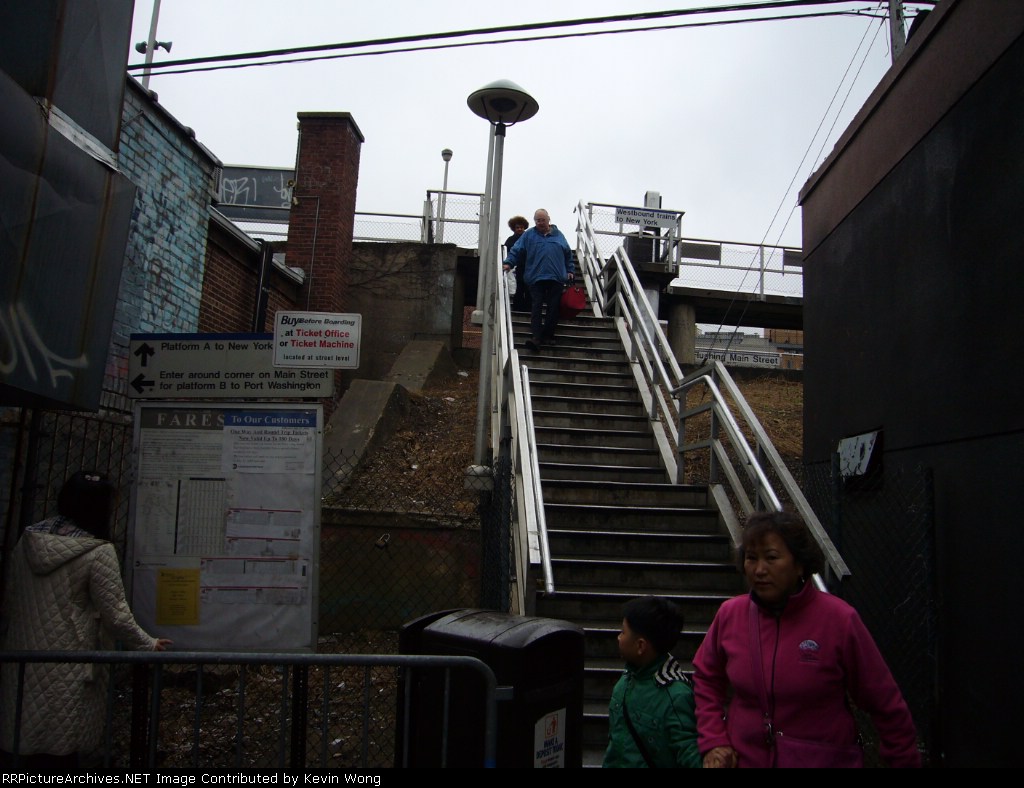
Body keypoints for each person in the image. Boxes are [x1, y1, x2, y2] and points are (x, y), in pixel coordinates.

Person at [692, 511, 921, 768]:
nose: (759, 570)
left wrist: (903, 760)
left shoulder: (838, 620)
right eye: (751, 558)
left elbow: (885, 703)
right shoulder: (731, 615)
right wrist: (714, 740)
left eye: (771, 558)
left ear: (799, 564)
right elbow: (706, 678)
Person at [0, 471, 171, 768]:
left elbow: (10, 600)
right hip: (69, 666)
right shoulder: (98, 551)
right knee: (60, 752)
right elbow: (116, 613)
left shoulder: (26, 543)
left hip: (23, 662)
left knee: (24, 746)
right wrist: (148, 644)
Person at [603, 596, 701, 768]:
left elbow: (688, 754)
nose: (618, 637)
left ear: (640, 646)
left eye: (623, 632)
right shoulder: (628, 677)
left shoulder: (675, 695)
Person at [502, 208, 574, 351]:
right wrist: (509, 263)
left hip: (556, 278)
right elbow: (516, 249)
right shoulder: (529, 235)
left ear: (548, 219)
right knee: (536, 307)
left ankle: (548, 335)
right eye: (537, 220)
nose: (540, 223)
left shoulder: (559, 235)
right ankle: (536, 337)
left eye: (543, 220)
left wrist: (570, 270)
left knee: (553, 308)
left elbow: (568, 254)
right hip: (536, 277)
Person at [503, 215, 531, 312]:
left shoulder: (529, 238)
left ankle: (528, 307)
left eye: (521, 227)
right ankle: (518, 307)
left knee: (528, 287)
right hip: (516, 266)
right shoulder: (510, 240)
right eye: (517, 227)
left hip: (528, 265)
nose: (519, 229)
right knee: (519, 286)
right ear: (514, 228)